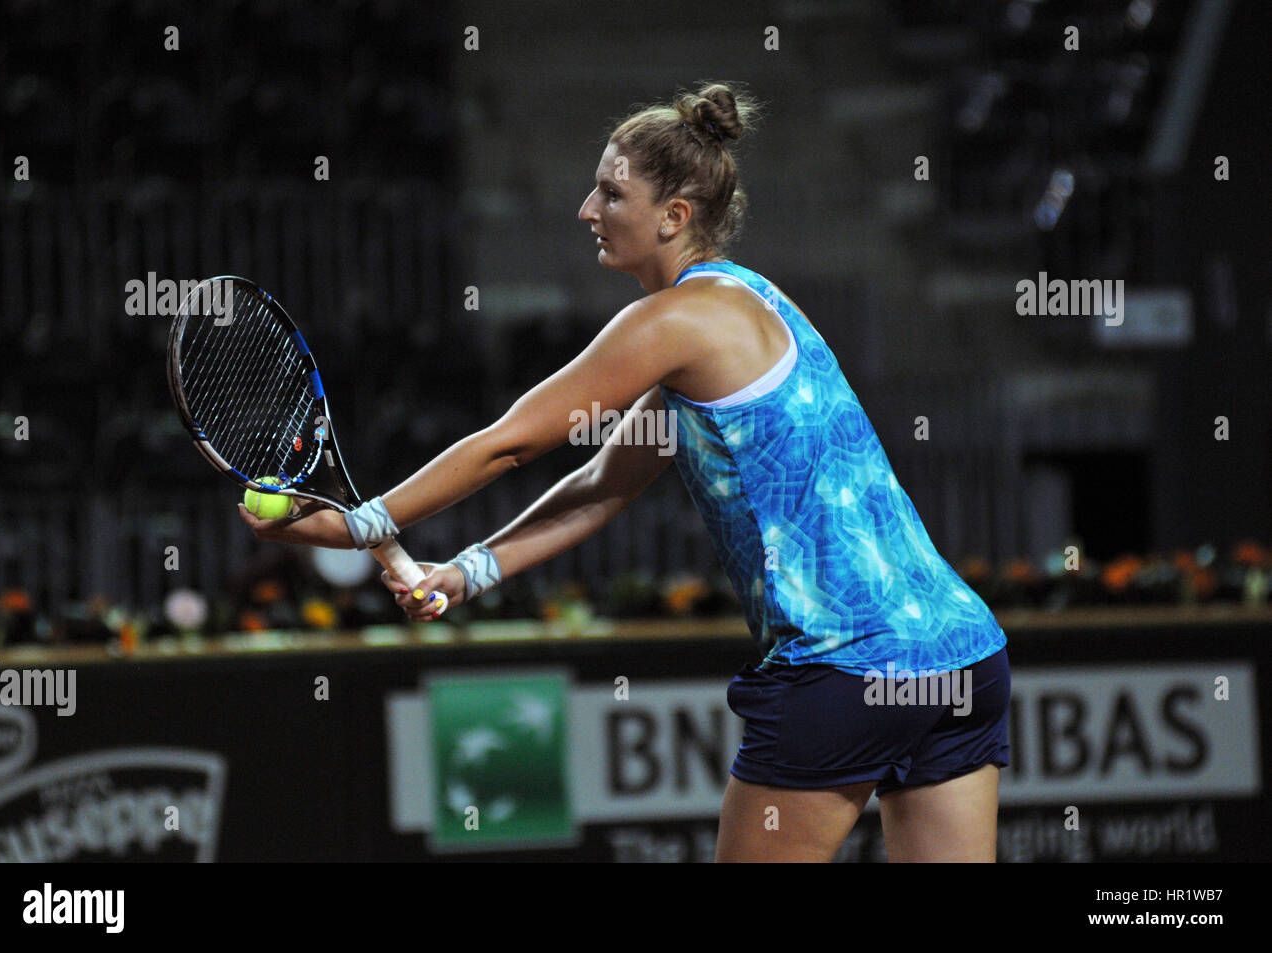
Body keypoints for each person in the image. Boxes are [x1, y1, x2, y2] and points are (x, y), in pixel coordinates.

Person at [239, 81, 1011, 862]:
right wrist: (468, 571)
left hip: (841, 668)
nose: (587, 209)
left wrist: (360, 524)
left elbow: (512, 443)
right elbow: (604, 484)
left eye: (612, 192)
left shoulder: (670, 321)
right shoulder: (749, 307)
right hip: (959, 660)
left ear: (673, 217)